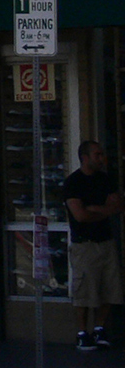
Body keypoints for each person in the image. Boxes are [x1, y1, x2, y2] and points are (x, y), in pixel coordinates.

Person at [64, 139, 124, 350]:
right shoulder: (73, 183)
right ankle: (82, 333)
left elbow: (117, 205)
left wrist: (94, 210)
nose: (101, 158)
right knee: (84, 291)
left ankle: (99, 329)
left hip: (105, 241)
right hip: (84, 245)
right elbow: (79, 215)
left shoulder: (106, 179)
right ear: (85, 157)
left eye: (102, 154)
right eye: (97, 155)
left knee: (109, 287)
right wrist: (102, 210)